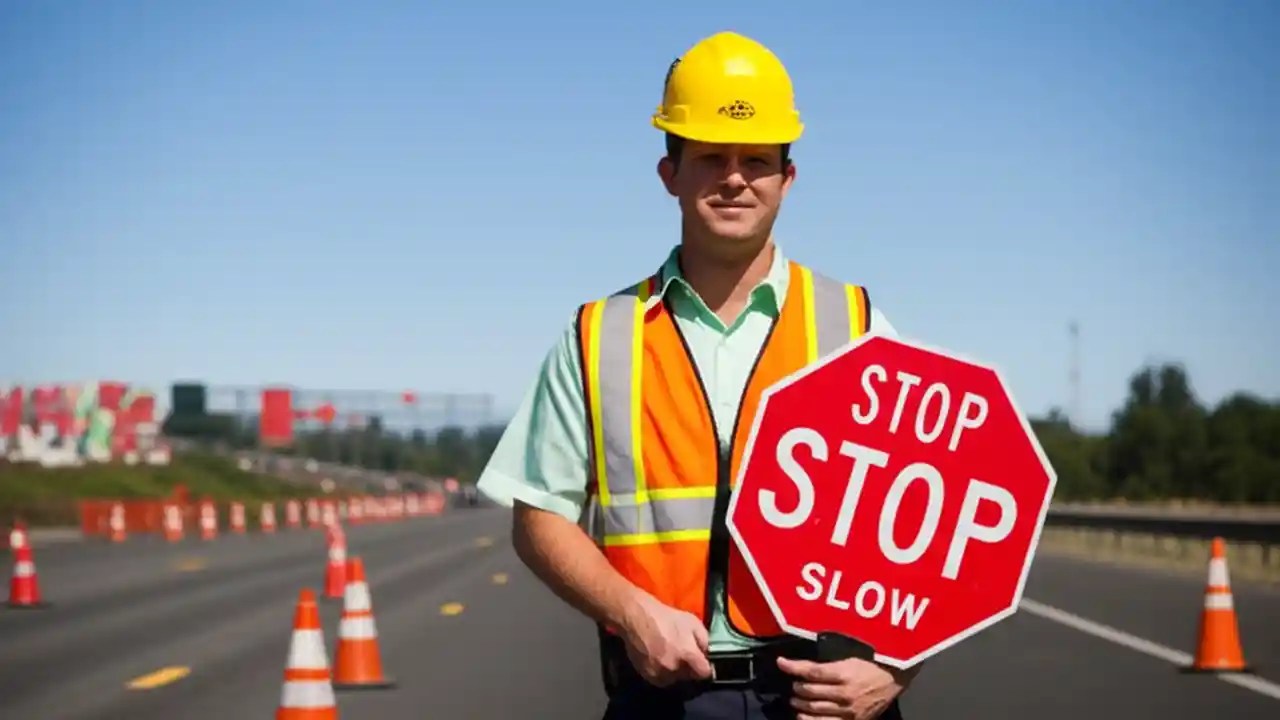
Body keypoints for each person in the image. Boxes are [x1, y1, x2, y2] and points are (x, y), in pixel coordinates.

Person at [476, 30, 920, 719]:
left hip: (824, 699)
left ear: (788, 177)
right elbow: (539, 515)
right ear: (669, 174)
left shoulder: (855, 325)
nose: (735, 177)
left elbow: (944, 529)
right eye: (711, 157)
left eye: (757, 160)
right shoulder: (599, 337)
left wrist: (896, 668)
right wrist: (630, 611)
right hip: (661, 696)